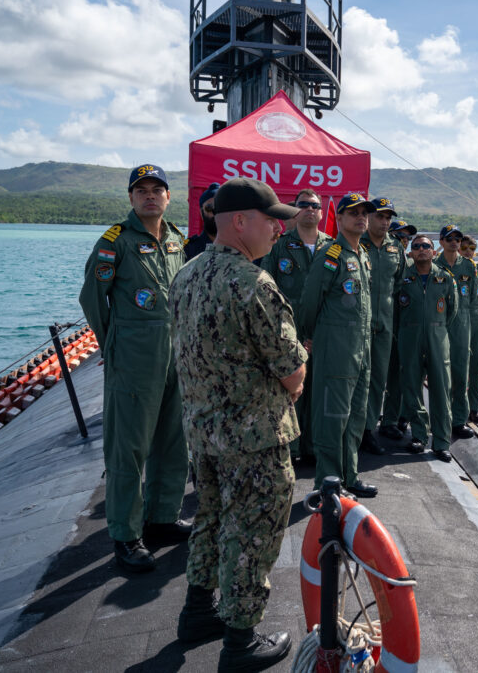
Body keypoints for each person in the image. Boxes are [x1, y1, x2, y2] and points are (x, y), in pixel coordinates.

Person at [169, 177, 306, 671]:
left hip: (204, 435)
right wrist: (296, 384)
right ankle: (240, 641)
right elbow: (291, 369)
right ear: (240, 222)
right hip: (254, 438)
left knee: (210, 521)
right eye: (271, 220)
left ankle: (197, 613)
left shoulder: (185, 275)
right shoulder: (253, 283)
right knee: (254, 532)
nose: (278, 229)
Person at [78, 163, 190, 573]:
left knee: (172, 439)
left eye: (157, 189)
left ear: (167, 197)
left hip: (175, 354)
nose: (149, 196)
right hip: (134, 355)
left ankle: (161, 516)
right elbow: (93, 296)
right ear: (130, 198)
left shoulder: (177, 240)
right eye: (141, 190)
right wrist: (115, 341)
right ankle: (125, 533)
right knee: (129, 446)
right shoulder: (116, 241)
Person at [297, 193, 377, 498]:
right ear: (339, 219)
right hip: (336, 349)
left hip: (362, 349)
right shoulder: (330, 254)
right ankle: (328, 484)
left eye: (364, 214)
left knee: (356, 416)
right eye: (353, 213)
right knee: (333, 418)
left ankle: (350, 476)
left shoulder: (362, 254)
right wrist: (310, 336)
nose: (360, 218)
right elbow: (309, 302)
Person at [260, 188, 331, 467]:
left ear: (321, 212)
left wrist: (316, 334)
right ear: (296, 210)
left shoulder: (332, 247)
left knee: (317, 391)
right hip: (288, 330)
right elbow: (266, 285)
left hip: (323, 331)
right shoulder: (280, 245)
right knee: (290, 391)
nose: (310, 209)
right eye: (303, 205)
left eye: (315, 205)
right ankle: (290, 448)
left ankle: (313, 447)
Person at [394, 234, 458, 460]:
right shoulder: (403, 279)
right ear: (410, 252)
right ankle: (420, 435)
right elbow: (395, 312)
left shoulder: (445, 278)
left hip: (437, 336)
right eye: (416, 246)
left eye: (426, 246)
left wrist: (436, 328)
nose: (421, 249)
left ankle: (441, 442)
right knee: (411, 387)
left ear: (433, 251)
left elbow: (452, 311)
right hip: (409, 336)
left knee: (441, 390)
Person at [359, 197, 406, 455]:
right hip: (358, 322)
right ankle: (352, 427)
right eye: (380, 216)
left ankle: (367, 431)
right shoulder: (357, 243)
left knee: (377, 378)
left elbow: (397, 284)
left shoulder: (395, 249)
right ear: (369, 217)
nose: (385, 221)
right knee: (356, 377)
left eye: (388, 218)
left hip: (384, 323)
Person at [434, 224, 478, 440]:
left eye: (457, 239)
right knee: (439, 376)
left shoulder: (469, 267)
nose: (454, 242)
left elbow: (475, 298)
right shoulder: (434, 265)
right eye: (449, 238)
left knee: (461, 373)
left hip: (461, 325)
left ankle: (459, 420)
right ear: (441, 242)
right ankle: (439, 420)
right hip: (439, 324)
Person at [379, 219, 418, 441]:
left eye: (407, 238)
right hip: (384, 322)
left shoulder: (412, 266)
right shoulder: (379, 260)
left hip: (403, 326)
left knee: (399, 374)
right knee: (375, 375)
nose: (403, 241)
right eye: (399, 236)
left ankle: (393, 418)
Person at [459, 235, 478, 425]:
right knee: (459, 365)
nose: (468, 251)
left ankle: (474, 407)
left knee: (477, 364)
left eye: (472, 248)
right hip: (459, 316)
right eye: (464, 248)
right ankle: (458, 407)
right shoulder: (453, 269)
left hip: (477, 316)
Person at [184, 182, 220, 261]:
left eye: (220, 207)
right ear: (201, 212)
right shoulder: (188, 250)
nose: (215, 212)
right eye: (209, 208)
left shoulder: (243, 249)